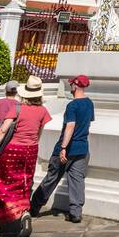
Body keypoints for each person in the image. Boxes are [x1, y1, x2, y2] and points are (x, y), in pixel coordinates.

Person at [0, 74, 52, 237]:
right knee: (24, 183)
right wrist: (30, 145)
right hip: (31, 150)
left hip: (13, 150)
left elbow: (3, 131)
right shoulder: (43, 111)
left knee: (1, 184)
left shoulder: (17, 108)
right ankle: (24, 210)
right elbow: (38, 134)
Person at [30, 76, 94, 224]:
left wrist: (64, 147)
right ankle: (76, 212)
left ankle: (34, 207)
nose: (70, 86)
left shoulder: (72, 106)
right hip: (82, 148)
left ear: (76, 86)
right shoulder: (89, 103)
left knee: (51, 178)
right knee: (77, 180)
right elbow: (87, 122)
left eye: (71, 84)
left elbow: (70, 126)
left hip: (67, 148)